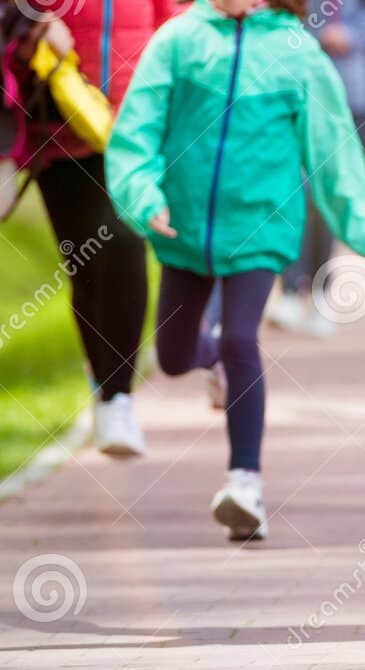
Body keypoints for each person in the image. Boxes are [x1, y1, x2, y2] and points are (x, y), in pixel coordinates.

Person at [107, 0, 365, 541]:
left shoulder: (295, 51)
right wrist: (143, 196)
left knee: (242, 339)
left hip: (262, 224)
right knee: (171, 358)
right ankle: (209, 360)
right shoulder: (177, 42)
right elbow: (137, 129)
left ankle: (245, 484)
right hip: (184, 229)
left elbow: (333, 146)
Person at [6, 0, 172, 458]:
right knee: (84, 262)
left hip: (132, 125)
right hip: (58, 125)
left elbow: (169, 21)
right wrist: (37, 24)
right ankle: (103, 378)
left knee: (124, 241)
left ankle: (117, 399)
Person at [270, 0, 365, 338]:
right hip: (292, 86)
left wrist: (354, 35)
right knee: (293, 189)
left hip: (350, 88)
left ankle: (320, 292)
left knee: (328, 194)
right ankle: (290, 289)